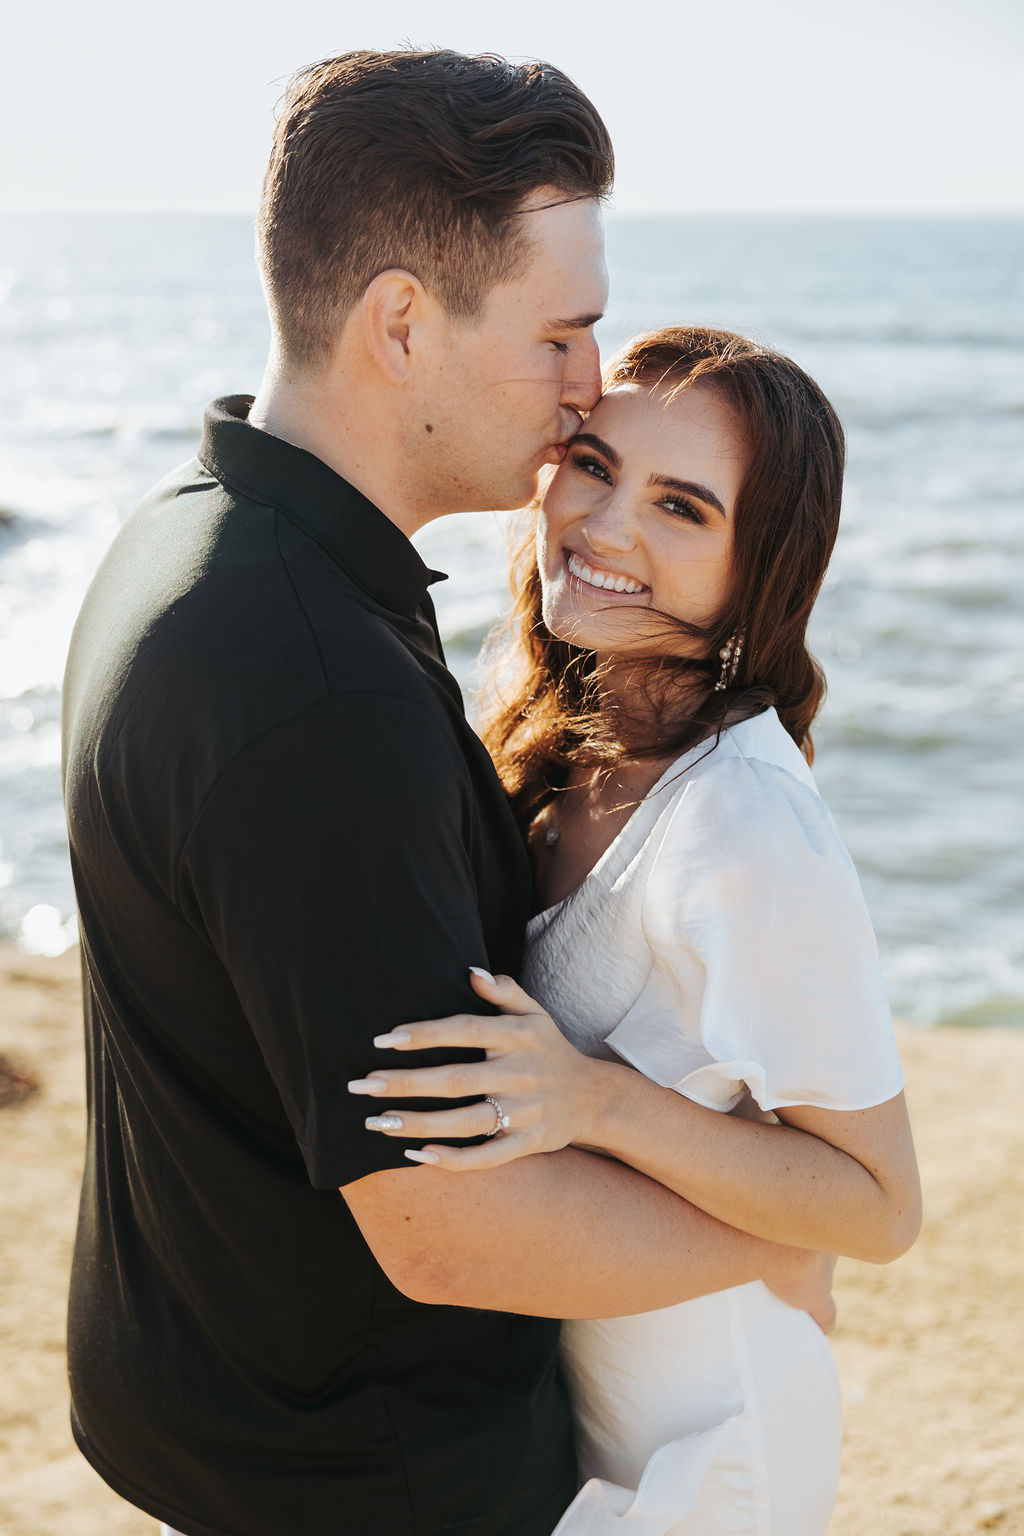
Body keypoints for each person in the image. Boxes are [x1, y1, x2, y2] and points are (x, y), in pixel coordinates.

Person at [61, 54, 833, 1536]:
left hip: (211, 1407)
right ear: (401, 324)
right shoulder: (312, 687)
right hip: (373, 1476)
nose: (588, 383)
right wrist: (756, 1241)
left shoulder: (196, 535)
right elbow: (447, 1229)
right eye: (562, 332)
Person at [349, 327, 922, 1533]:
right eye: (596, 465)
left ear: (754, 567)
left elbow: (878, 1206)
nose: (607, 526)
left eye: (681, 506)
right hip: (572, 1413)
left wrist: (598, 1103)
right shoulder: (555, 742)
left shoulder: (745, 826)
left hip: (713, 1444)